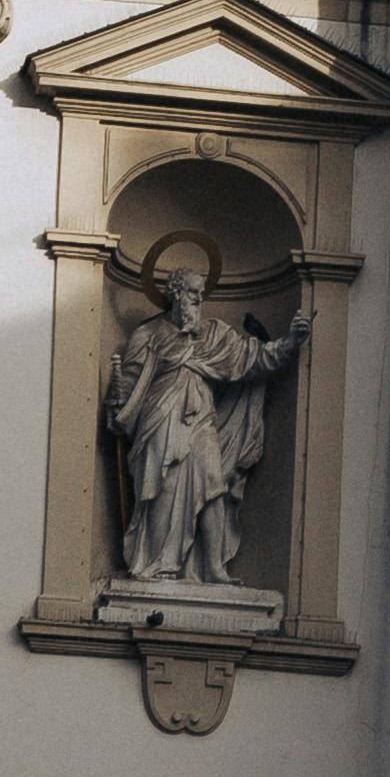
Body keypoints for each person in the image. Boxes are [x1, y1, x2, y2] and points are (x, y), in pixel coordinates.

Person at [100, 244, 308, 592]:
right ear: (175, 295)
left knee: (213, 484)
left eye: (201, 294)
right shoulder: (146, 337)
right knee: (165, 488)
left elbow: (254, 358)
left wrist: (290, 341)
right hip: (160, 422)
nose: (199, 300)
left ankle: (213, 568)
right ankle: (160, 564)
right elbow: (129, 396)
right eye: (193, 294)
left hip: (200, 420)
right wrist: (117, 402)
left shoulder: (214, 336)